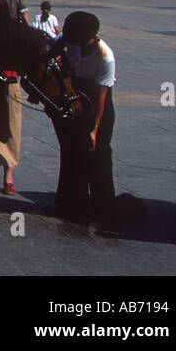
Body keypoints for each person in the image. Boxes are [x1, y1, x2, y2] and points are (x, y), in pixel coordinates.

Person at [48, 12, 118, 227]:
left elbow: (101, 96)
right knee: (70, 151)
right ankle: (70, 203)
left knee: (98, 152)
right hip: (75, 97)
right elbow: (53, 54)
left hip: (98, 106)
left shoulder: (105, 56)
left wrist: (94, 129)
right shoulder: (69, 41)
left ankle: (102, 205)